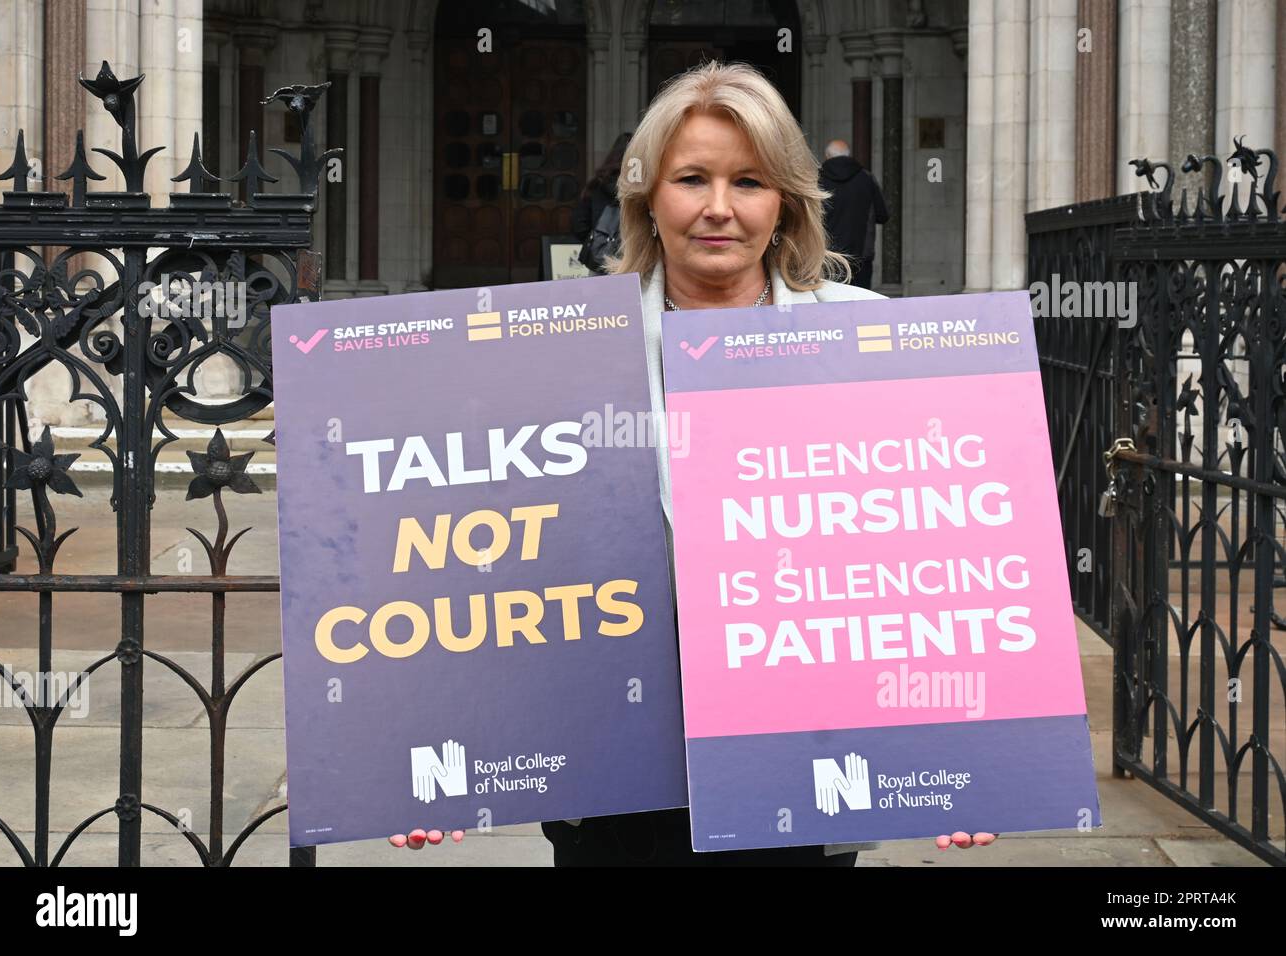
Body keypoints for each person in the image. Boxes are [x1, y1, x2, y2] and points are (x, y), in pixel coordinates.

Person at [390, 60, 997, 864]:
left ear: (784, 199)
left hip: (803, 754)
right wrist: (437, 755)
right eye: (691, 179)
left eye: (747, 180)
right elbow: (476, 566)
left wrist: (959, 763)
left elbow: (940, 566)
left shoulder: (869, 341)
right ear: (647, 197)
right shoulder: (558, 353)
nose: (719, 208)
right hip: (610, 760)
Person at [818, 139, 889, 290]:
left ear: (827, 156)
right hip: (861, 258)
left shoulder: (816, 180)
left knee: (828, 307)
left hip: (826, 257)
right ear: (849, 156)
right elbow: (883, 215)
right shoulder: (866, 178)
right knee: (860, 308)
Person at [570, 132, 631, 274]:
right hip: (633, 260)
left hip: (600, 259)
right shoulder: (640, 187)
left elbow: (578, 224)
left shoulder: (597, 184)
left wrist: (598, 239)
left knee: (597, 296)